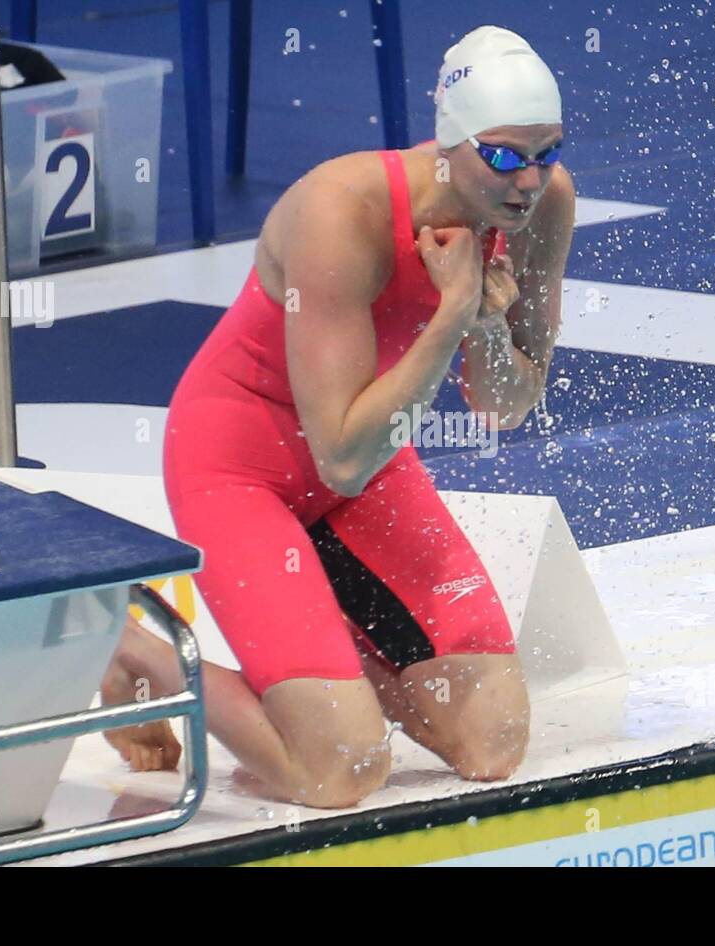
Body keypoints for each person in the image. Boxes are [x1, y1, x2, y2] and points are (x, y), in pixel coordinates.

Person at [100, 25, 575, 809]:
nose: (526, 179)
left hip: (361, 463)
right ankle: (133, 651)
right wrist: (455, 309)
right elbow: (341, 457)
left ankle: (321, 656)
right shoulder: (339, 211)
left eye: (546, 150)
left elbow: (503, 407)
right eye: (501, 155)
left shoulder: (543, 205)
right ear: (448, 145)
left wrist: (487, 327)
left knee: (492, 741)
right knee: (338, 769)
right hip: (240, 466)